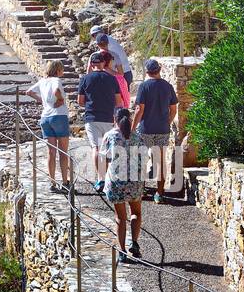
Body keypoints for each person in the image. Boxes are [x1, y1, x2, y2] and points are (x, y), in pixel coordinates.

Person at [101, 107, 146, 262]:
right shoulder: (137, 137)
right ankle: (134, 243)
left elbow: (106, 159)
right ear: (130, 119)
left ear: (115, 119)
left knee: (120, 217)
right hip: (135, 180)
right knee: (136, 213)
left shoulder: (110, 136)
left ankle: (122, 251)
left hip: (116, 182)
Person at [76, 51, 125, 193]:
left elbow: (80, 102)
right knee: (108, 148)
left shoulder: (85, 79)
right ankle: (110, 177)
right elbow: (118, 101)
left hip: (92, 117)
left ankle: (100, 179)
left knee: (96, 148)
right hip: (108, 118)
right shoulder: (112, 79)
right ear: (103, 63)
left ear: (91, 64)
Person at [133, 58, 179, 202]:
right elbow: (173, 109)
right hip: (162, 129)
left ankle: (141, 191)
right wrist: (168, 122)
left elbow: (140, 110)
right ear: (160, 70)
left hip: (145, 129)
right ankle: (159, 194)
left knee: (142, 160)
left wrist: (133, 128)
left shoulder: (144, 87)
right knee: (160, 162)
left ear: (147, 71)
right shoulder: (168, 86)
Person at [25, 60, 71, 189]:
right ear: (57, 70)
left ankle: (52, 182)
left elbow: (28, 92)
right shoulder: (56, 80)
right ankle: (65, 182)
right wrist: (61, 99)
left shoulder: (42, 81)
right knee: (63, 152)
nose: (63, 72)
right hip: (59, 116)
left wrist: (43, 101)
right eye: (62, 69)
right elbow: (56, 90)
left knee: (51, 152)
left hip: (45, 117)